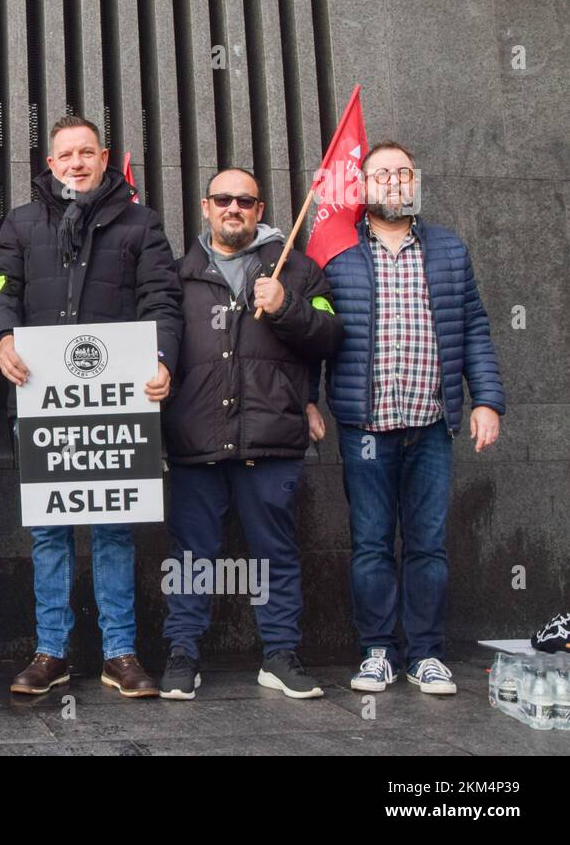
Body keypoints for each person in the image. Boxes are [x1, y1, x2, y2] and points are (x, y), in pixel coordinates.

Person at [0, 114, 182, 698]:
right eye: (65, 154)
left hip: (118, 406)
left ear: (103, 158)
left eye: (86, 153)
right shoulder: (20, 224)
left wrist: (163, 359)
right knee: (49, 531)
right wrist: (2, 337)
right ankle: (52, 652)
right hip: (43, 403)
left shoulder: (141, 223)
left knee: (115, 529)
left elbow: (163, 299)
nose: (75, 163)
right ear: (50, 164)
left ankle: (120, 653)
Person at [318, 141, 504, 696]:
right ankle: (377, 651)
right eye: (382, 174)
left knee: (428, 544)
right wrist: (306, 399)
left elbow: (474, 327)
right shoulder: (338, 254)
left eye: (404, 173)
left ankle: (426, 654)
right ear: (363, 187)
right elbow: (314, 335)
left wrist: (487, 400)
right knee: (372, 543)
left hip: (431, 426)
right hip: (366, 428)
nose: (395, 182)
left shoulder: (447, 250)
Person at [158, 167, 341, 701]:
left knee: (274, 552)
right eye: (223, 199)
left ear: (259, 210)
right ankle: (182, 652)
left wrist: (287, 306)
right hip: (197, 437)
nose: (233, 208)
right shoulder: (176, 274)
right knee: (190, 556)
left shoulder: (300, 270)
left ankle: (281, 654)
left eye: (245, 200)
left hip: (271, 436)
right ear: (205, 207)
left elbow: (330, 335)